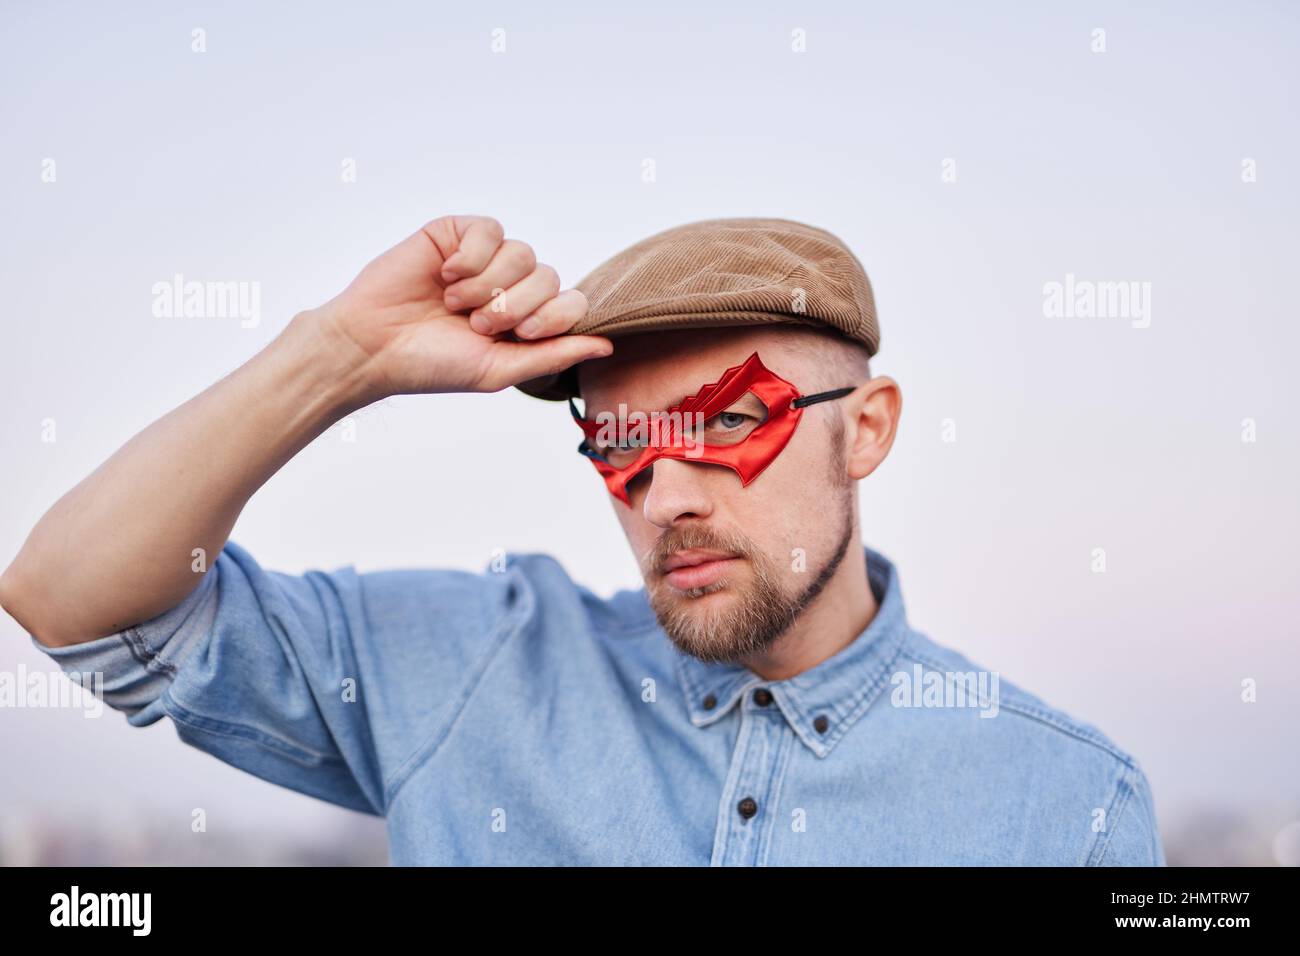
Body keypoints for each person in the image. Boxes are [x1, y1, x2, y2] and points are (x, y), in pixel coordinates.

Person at [0, 215, 1166, 866]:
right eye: (623, 444)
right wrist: (339, 359)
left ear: (865, 431)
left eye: (727, 424)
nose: (664, 497)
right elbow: (73, 600)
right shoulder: (472, 668)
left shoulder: (1064, 806)